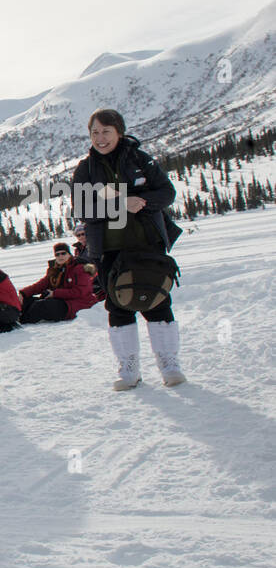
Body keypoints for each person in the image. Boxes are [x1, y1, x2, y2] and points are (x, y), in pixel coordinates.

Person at [71, 109, 183, 389]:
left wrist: (140, 201)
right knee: (118, 306)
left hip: (147, 243)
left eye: (105, 131)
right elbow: (82, 208)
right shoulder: (86, 168)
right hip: (110, 249)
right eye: (94, 132)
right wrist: (121, 204)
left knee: (158, 301)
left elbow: (167, 192)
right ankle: (129, 368)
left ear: (119, 132)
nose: (100, 138)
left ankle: (169, 363)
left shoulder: (140, 159)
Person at [18, 242, 97, 324]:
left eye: (63, 253)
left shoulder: (79, 268)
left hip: (78, 304)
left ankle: (21, 321)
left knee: (41, 306)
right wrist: (23, 293)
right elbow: (40, 285)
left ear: (69, 254)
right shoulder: (55, 270)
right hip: (61, 300)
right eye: (57, 254)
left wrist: (55, 293)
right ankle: (15, 317)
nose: (60, 256)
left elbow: (80, 292)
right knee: (27, 301)